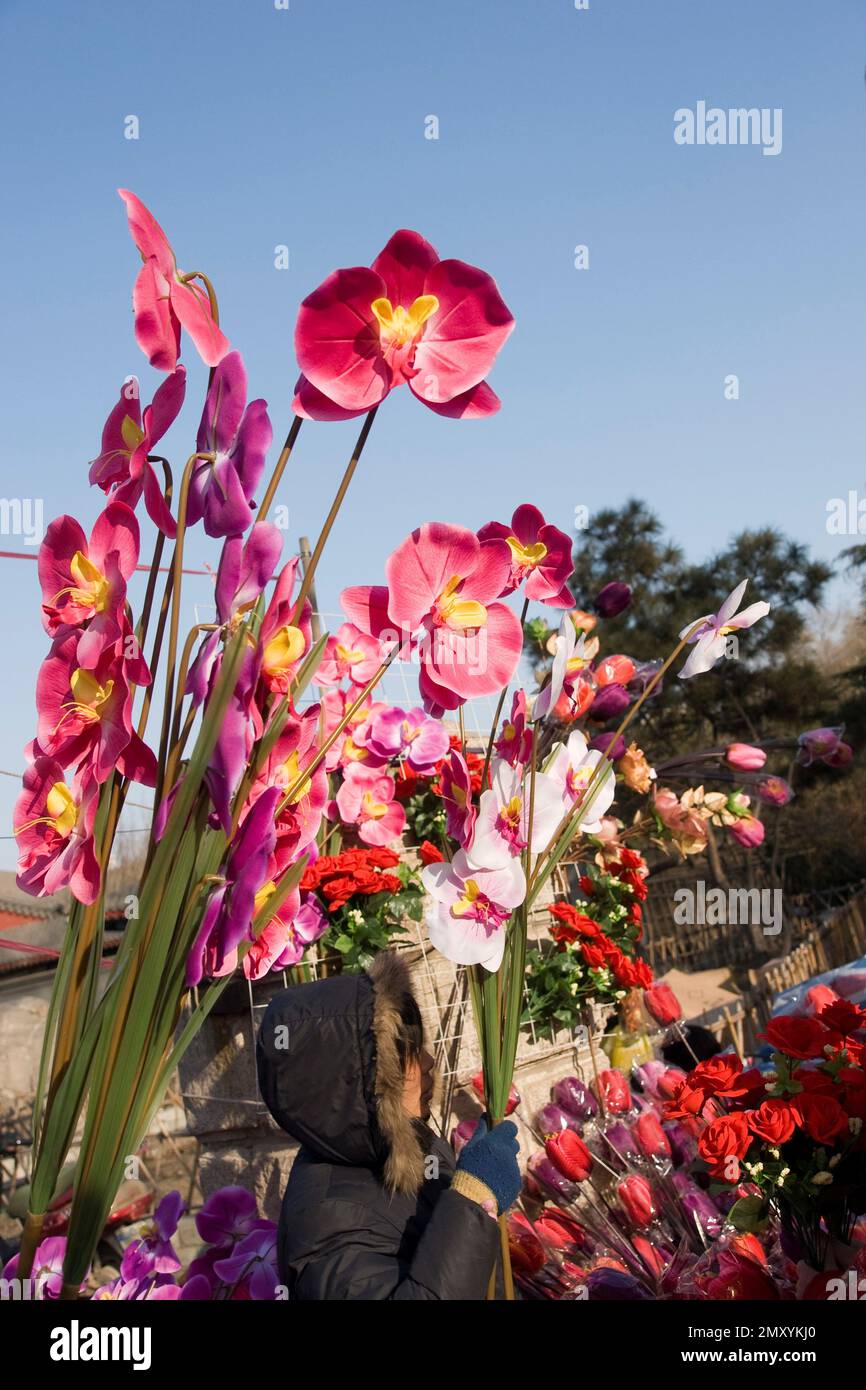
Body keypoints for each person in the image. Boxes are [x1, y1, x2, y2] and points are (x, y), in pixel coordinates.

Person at [256, 951, 522, 1300]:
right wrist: (472, 1200)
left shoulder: (397, 1148)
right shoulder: (326, 1223)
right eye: (404, 1056)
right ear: (352, 1085)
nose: (428, 1063)